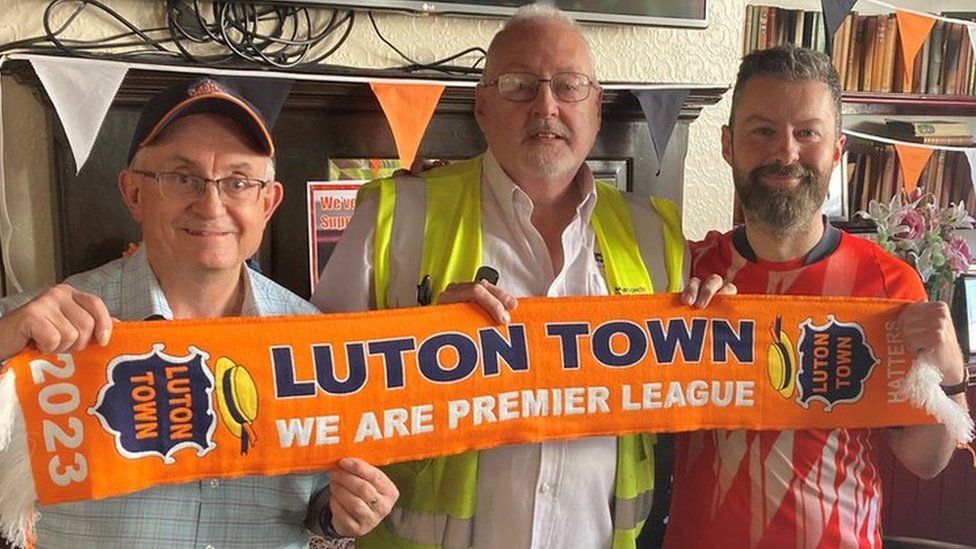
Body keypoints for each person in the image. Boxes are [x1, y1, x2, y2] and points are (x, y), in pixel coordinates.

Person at [313, 4, 731, 548]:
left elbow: (688, 397)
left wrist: (724, 330)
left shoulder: (656, 234)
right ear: (482, 106)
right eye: (518, 85)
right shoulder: (394, 216)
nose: (546, 105)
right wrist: (417, 351)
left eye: (569, 85)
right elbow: (314, 394)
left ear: (597, 109)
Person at [0, 76, 395, 547]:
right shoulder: (37, 331)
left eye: (238, 182)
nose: (212, 205)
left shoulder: (314, 338)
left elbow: (311, 504)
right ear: (134, 194)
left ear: (267, 202)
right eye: (182, 178)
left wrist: (338, 514)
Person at [663, 45, 970, 548]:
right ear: (727, 144)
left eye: (807, 132)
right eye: (762, 130)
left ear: (837, 150)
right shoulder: (683, 270)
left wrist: (952, 370)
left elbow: (925, 459)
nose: (786, 152)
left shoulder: (889, 284)